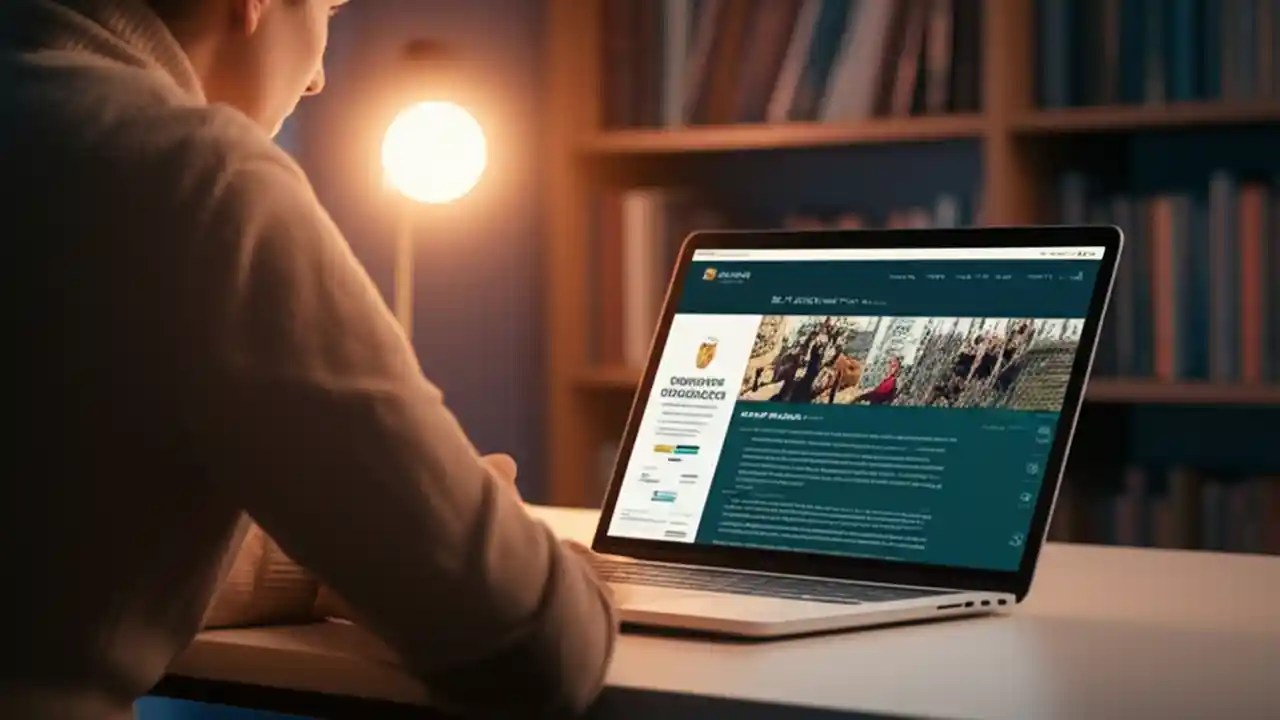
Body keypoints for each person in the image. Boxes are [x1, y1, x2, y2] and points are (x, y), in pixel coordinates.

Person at [1, 1, 617, 718]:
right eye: (326, 8)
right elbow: (533, 651)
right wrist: (555, 563)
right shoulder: (196, 175)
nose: (320, 75)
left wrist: (359, 545)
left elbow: (63, 545)